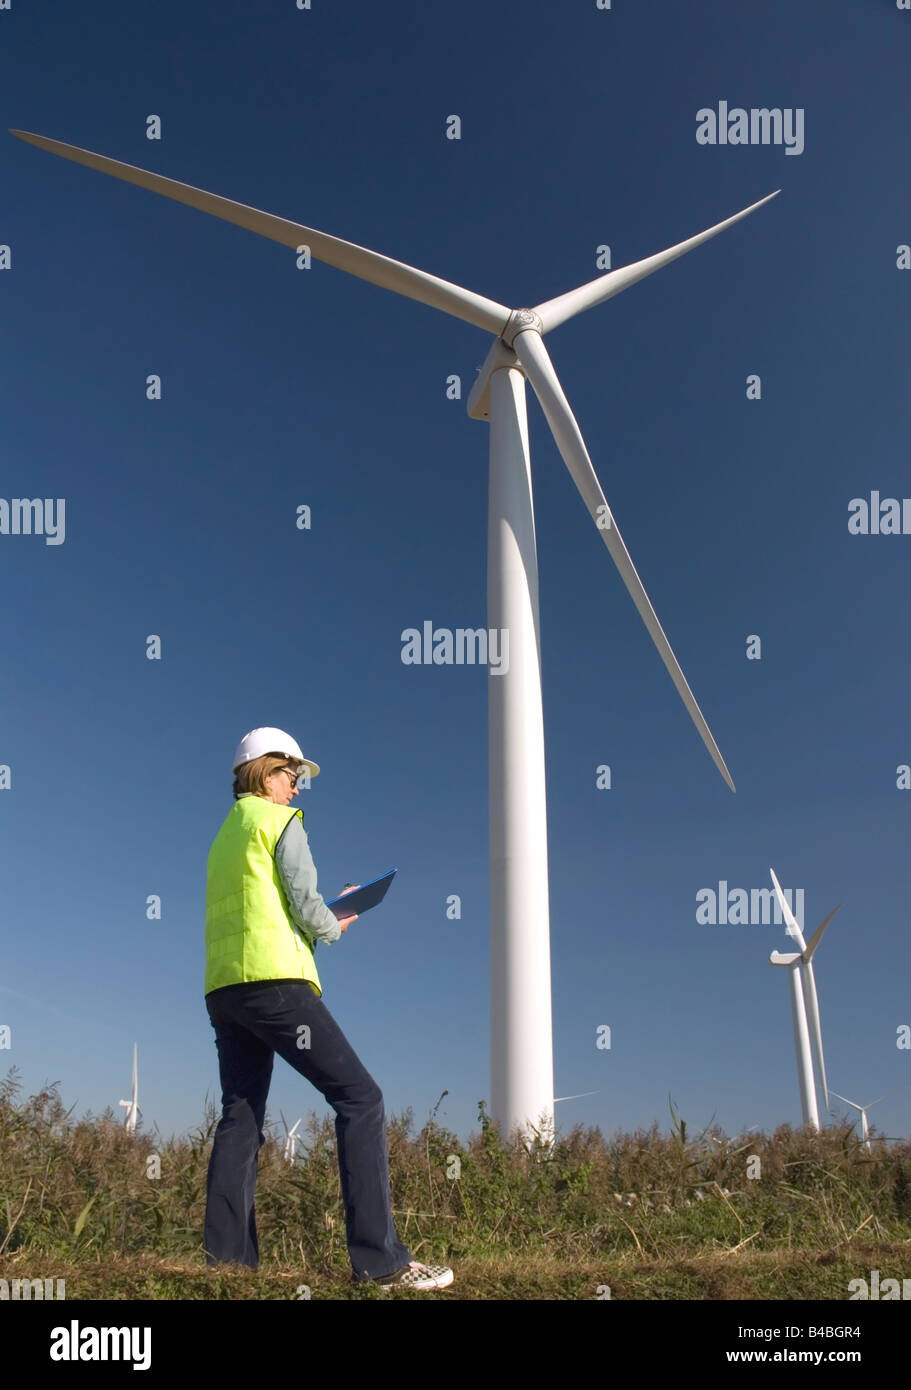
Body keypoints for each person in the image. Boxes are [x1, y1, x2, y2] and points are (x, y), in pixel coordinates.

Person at [203, 725, 453, 1291]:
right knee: (361, 1099)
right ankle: (381, 1261)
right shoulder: (281, 823)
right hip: (277, 984)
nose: (296, 788)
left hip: (225, 991)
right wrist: (334, 923)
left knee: (240, 1118)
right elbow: (305, 904)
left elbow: (254, 904)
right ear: (265, 772)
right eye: (291, 776)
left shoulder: (225, 836)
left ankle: (229, 1267)